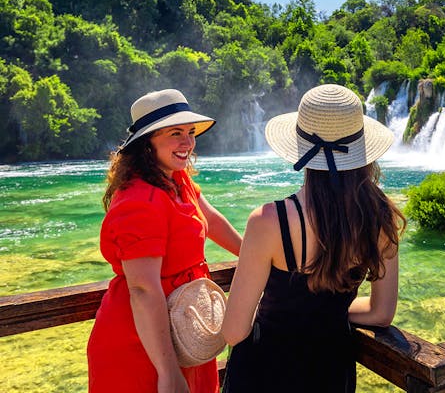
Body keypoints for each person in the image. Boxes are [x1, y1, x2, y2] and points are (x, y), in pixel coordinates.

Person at [221, 84, 406, 392]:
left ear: (301, 149)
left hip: (264, 374)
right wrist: (327, 311)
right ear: (361, 151)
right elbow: (381, 313)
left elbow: (233, 332)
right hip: (330, 373)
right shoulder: (381, 220)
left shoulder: (269, 221)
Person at [87, 89, 242, 393]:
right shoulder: (139, 201)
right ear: (147, 143)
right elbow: (143, 290)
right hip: (145, 347)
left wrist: (256, 255)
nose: (188, 142)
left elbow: (210, 219)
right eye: (175, 133)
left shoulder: (175, 178)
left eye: (190, 132)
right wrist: (168, 371)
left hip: (184, 328)